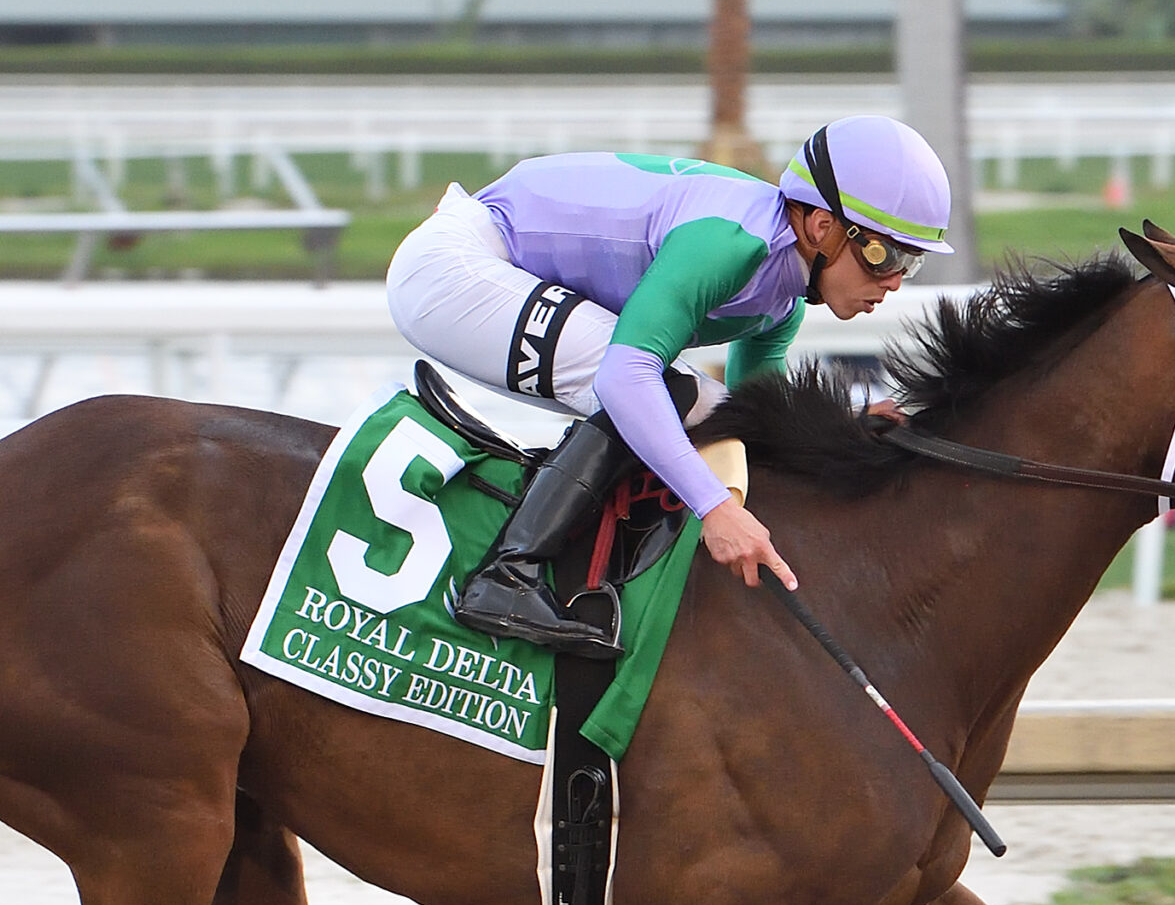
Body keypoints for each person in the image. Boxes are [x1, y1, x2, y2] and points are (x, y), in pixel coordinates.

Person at [384, 116, 954, 658]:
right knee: (666, 392)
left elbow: (755, 419)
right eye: (885, 255)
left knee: (705, 406)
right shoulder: (731, 243)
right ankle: (508, 573)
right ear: (822, 226)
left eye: (913, 263)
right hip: (452, 268)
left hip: (487, 268)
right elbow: (625, 377)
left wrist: (849, 431)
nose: (895, 282)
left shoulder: (780, 303)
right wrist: (715, 510)